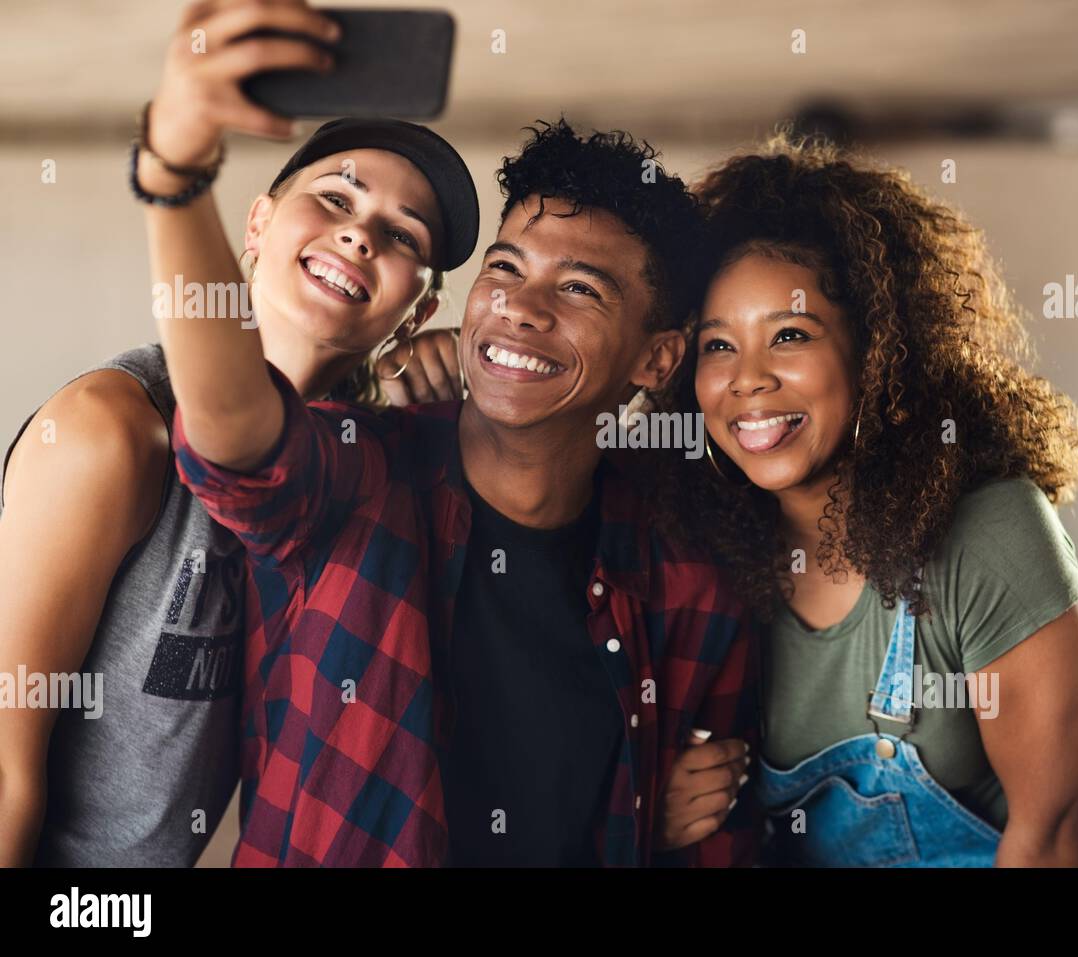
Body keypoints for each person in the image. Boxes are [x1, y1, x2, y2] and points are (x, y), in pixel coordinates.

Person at [148, 30, 760, 865]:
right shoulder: (360, 471)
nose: (521, 308)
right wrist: (175, 178)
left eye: (579, 288)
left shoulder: (687, 570)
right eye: (505, 269)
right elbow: (235, 435)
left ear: (656, 359)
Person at [0, 0, 473, 867]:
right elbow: (3, 767)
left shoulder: (371, 465)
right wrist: (174, 164)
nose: (359, 233)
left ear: (417, 309)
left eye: (402, 235)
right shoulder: (109, 432)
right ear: (256, 224)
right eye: (335, 195)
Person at [654, 131, 1078, 867]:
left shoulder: (989, 532)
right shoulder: (705, 548)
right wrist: (673, 795)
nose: (746, 379)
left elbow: (1052, 832)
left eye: (790, 334)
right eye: (718, 346)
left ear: (879, 354)